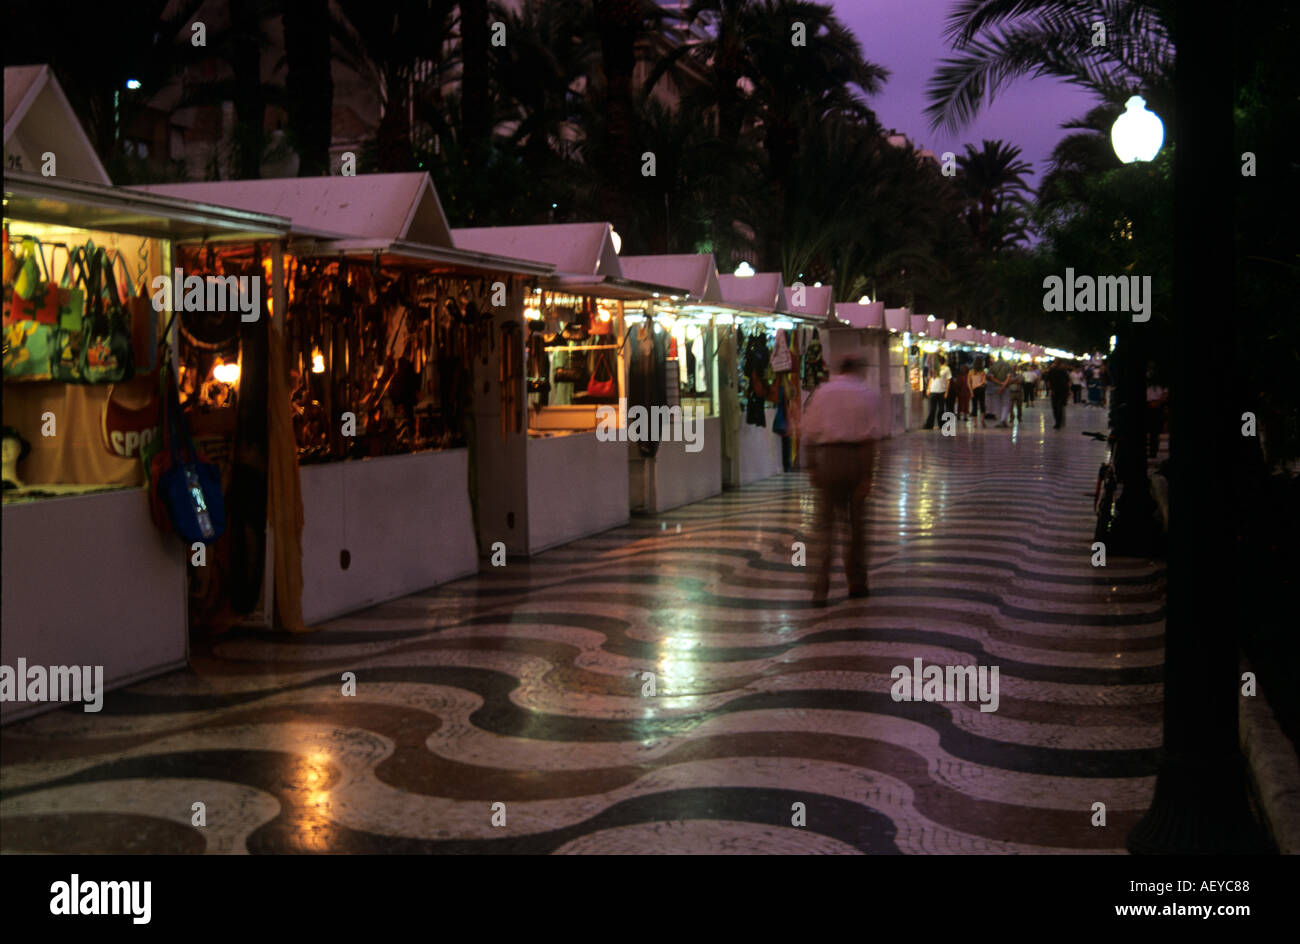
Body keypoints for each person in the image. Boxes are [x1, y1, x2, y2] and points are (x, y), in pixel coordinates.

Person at [801, 355, 887, 604]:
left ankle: (820, 587)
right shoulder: (866, 394)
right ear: (857, 370)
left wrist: (812, 467)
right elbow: (871, 438)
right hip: (856, 459)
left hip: (828, 459)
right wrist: (867, 476)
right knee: (857, 527)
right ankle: (856, 583)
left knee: (824, 527)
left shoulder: (822, 393)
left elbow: (809, 432)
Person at [923, 354, 950, 429]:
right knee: (932, 409)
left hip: (942, 391)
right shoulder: (933, 369)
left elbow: (948, 381)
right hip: (933, 391)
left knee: (941, 409)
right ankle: (929, 424)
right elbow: (931, 379)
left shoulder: (946, 369)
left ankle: (941, 424)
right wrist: (928, 389)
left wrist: (947, 392)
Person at [987, 356, 1014, 426]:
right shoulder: (1007, 365)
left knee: (997, 404)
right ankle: (1003, 419)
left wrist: (999, 383)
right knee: (1006, 404)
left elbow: (991, 377)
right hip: (1006, 387)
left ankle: (999, 421)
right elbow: (1008, 377)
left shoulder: (993, 366)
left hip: (996, 387)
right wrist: (1003, 385)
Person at [1046, 359, 1071, 429]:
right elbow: (1068, 382)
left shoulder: (1052, 371)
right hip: (1062, 391)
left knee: (1055, 407)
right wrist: (1068, 391)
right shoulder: (1064, 372)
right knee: (1059, 407)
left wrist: (1050, 389)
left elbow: (1048, 382)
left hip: (1056, 391)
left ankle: (1058, 422)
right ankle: (1058, 422)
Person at [967, 358, 988, 428]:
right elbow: (984, 382)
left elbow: (968, 383)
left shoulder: (971, 372)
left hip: (974, 390)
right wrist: (980, 383)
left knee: (974, 406)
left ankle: (975, 423)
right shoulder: (983, 372)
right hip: (981, 389)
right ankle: (982, 420)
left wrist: (971, 391)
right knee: (982, 405)